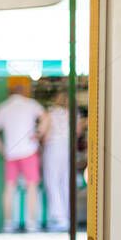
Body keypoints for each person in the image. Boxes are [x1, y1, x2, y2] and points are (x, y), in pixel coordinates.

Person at [0, 84, 48, 232]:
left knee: (9, 188)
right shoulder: (31, 104)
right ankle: (31, 223)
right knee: (32, 187)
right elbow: (46, 118)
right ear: (24, 92)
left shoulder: (3, 107)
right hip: (29, 151)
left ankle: (8, 223)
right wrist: (39, 133)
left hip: (10, 153)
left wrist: (2, 148)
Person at [40, 92, 71, 232]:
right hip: (67, 148)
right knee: (65, 181)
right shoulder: (72, 114)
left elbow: (44, 133)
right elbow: (76, 132)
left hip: (53, 148)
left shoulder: (50, 113)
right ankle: (68, 215)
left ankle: (59, 217)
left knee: (52, 181)